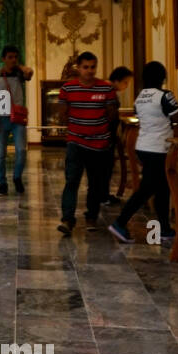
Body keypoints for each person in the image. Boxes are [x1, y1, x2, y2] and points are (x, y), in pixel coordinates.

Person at [109, 62, 178, 244]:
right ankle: (119, 223)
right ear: (163, 78)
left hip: (143, 146)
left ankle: (165, 230)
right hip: (158, 149)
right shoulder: (165, 95)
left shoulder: (140, 98)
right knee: (147, 189)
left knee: (162, 188)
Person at [56, 51, 117, 233]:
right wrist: (73, 125)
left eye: (93, 67)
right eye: (85, 67)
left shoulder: (106, 88)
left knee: (95, 183)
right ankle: (67, 220)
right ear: (79, 68)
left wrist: (105, 133)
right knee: (71, 181)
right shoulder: (68, 89)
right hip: (76, 142)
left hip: (99, 144)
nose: (89, 71)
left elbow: (112, 114)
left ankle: (91, 216)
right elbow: (62, 114)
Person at [0, 44, 34, 195]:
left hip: (17, 118)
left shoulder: (19, 73)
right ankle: (2, 183)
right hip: (1, 118)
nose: (13, 60)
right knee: (0, 153)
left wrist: (19, 66)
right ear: (3, 58)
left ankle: (17, 177)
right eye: (10, 57)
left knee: (21, 150)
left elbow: (30, 73)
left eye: (15, 57)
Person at [104, 65, 134, 205]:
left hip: (107, 134)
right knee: (105, 167)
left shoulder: (109, 90)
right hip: (105, 135)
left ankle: (104, 194)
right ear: (117, 80)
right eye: (125, 82)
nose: (126, 86)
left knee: (107, 167)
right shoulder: (108, 90)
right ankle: (102, 196)